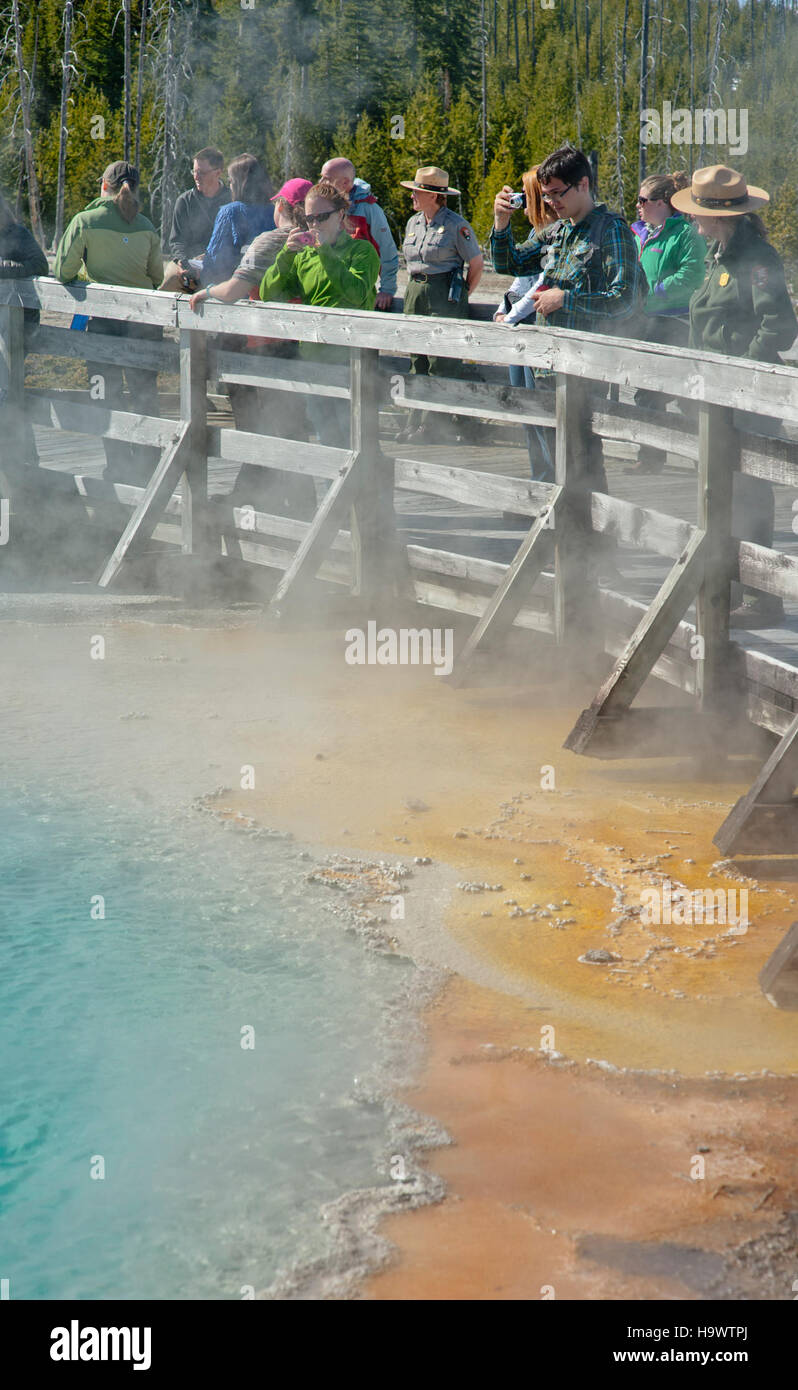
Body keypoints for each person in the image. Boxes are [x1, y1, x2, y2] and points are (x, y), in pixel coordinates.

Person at [672, 164, 798, 626]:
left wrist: (741, 371)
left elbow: (780, 327)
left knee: (749, 497)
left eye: (697, 211)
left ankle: (763, 600)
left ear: (718, 215)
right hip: (713, 397)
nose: (691, 218)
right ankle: (724, 587)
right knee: (718, 494)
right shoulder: (717, 254)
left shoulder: (757, 258)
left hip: (745, 399)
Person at [492, 144, 641, 495]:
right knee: (558, 460)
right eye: (546, 195)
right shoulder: (558, 231)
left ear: (583, 185)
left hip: (584, 370)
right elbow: (509, 263)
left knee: (581, 463)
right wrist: (501, 223)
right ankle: (566, 526)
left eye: (557, 193)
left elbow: (624, 300)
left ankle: (587, 529)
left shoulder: (612, 230)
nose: (551, 202)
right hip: (548, 367)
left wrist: (565, 299)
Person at [189, 177, 317, 518]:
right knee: (293, 429)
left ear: (281, 207)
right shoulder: (318, 243)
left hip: (263, 349)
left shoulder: (269, 241)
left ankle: (260, 497)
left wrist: (207, 292)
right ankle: (301, 507)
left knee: (258, 428)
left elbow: (233, 291)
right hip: (301, 349)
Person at [54, 161, 164, 484]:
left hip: (104, 324)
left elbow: (62, 271)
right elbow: (156, 276)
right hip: (145, 322)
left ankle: (118, 468)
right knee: (145, 395)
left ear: (103, 185)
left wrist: (88, 272)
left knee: (105, 394)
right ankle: (150, 470)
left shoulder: (85, 221)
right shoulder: (147, 226)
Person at [259, 179, 380, 448]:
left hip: (353, 363)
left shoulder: (362, 251)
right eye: (309, 218)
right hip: (314, 361)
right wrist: (286, 255)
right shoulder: (305, 256)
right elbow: (269, 293)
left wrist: (325, 251)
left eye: (321, 217)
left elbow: (356, 293)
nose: (314, 225)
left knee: (360, 443)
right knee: (327, 441)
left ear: (341, 214)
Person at [397, 166, 484, 444]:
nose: (412, 196)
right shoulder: (413, 223)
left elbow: (476, 262)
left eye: (417, 192)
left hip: (443, 292)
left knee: (441, 362)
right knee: (417, 360)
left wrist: (463, 294)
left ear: (433, 196)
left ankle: (434, 426)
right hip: (415, 291)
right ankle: (413, 422)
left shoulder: (456, 225)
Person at [629, 171, 707, 474]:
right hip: (644, 322)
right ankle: (650, 457)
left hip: (675, 323)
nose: (638, 206)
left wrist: (655, 293)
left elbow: (691, 276)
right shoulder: (638, 233)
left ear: (662, 202)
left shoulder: (685, 234)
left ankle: (704, 458)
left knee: (686, 396)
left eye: (642, 200)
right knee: (645, 392)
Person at [493, 166, 559, 480]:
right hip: (520, 324)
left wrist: (510, 317)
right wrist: (502, 308)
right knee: (524, 407)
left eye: (525, 193)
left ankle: (550, 477)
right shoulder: (536, 233)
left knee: (539, 408)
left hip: (535, 324)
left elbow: (542, 285)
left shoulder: (558, 231)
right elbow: (521, 280)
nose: (519, 200)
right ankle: (539, 475)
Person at [0, 191, 48, 469]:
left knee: (10, 393)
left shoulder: (17, 234)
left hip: (17, 328)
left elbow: (40, 264)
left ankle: (25, 461)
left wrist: (5, 268)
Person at [320, 157, 398, 310]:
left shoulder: (369, 210)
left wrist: (387, 290)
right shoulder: (322, 207)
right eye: (321, 176)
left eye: (327, 178)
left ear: (345, 183)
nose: (321, 182)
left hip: (357, 294)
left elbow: (387, 251)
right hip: (327, 293)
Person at [161, 147, 229, 291]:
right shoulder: (184, 201)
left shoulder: (232, 200)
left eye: (202, 173)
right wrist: (182, 262)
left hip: (222, 264)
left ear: (218, 173)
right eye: (194, 171)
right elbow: (177, 241)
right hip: (189, 262)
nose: (196, 177)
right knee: (170, 278)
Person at [201, 154, 274, 285]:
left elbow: (214, 262)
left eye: (230, 181)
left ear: (239, 183)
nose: (229, 186)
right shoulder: (275, 211)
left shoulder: (230, 212)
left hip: (237, 288)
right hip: (269, 286)